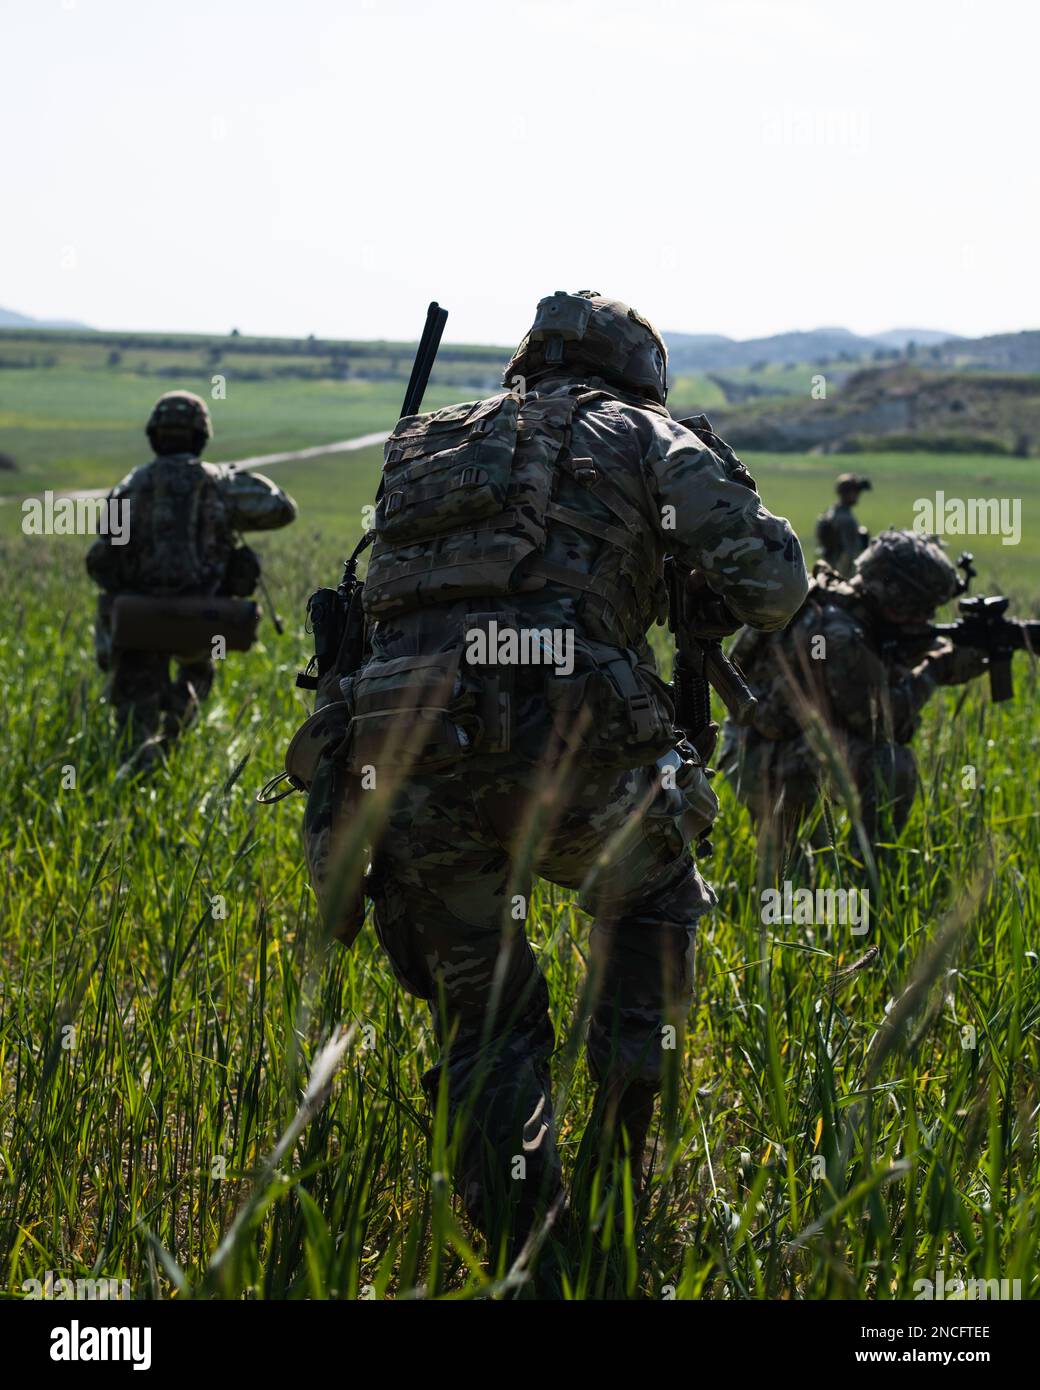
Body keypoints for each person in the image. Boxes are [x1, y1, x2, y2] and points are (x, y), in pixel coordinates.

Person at [294, 291, 807, 1267]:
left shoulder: (421, 443)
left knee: (480, 1009)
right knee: (650, 903)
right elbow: (775, 589)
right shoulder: (639, 432)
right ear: (639, 373)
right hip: (577, 737)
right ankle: (615, 1181)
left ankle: (527, 1239)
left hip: (406, 747)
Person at [720, 529, 989, 856]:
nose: (927, 618)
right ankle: (868, 870)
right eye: (922, 609)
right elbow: (882, 723)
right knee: (892, 766)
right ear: (896, 597)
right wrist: (935, 670)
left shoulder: (840, 604)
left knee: (799, 867)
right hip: (760, 759)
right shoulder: (838, 634)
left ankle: (805, 858)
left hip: (768, 746)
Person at [86, 390, 296, 766]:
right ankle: (170, 751)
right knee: (190, 690)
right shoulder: (220, 483)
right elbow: (282, 509)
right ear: (202, 436)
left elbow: (104, 554)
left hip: (137, 621)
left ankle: (137, 776)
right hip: (202, 623)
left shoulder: (129, 486)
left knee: (133, 724)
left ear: (154, 435)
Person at [815, 472, 871, 576]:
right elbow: (849, 555)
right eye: (856, 491)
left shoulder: (832, 511)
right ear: (847, 493)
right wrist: (845, 581)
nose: (858, 495)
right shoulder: (846, 520)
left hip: (828, 569)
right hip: (839, 572)